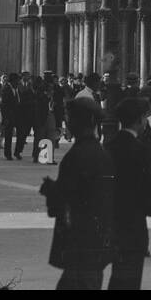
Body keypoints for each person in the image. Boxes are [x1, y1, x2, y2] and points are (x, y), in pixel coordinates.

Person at [41, 101, 115, 290]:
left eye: (72, 117)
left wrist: (52, 191)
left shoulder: (79, 154)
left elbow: (71, 199)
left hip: (81, 242)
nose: (68, 121)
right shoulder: (97, 152)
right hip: (91, 243)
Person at [106, 98, 151, 290]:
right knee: (131, 278)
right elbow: (150, 190)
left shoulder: (109, 147)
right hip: (134, 225)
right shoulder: (141, 150)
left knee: (117, 276)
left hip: (112, 223)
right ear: (139, 119)